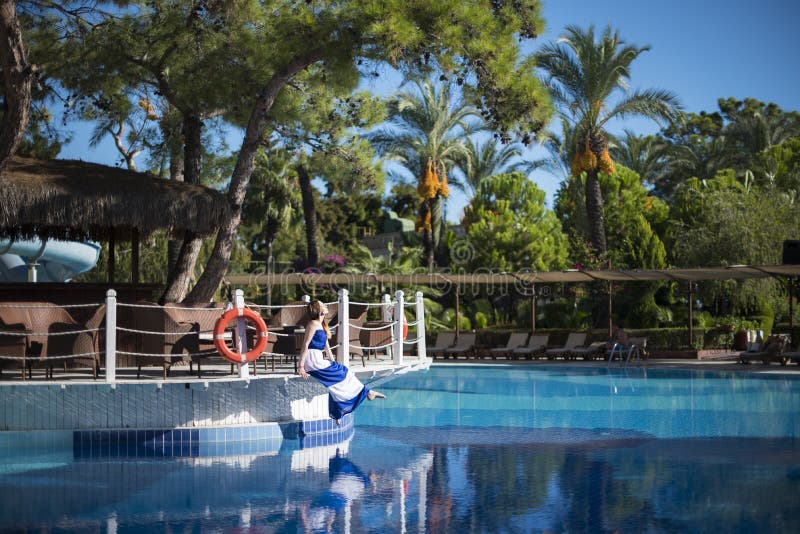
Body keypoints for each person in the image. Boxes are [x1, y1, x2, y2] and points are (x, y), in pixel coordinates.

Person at [298, 300, 385, 423]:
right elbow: (305, 345)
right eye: (323, 304)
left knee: (337, 382)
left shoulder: (321, 324)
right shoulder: (312, 324)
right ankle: (367, 393)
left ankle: (338, 412)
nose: (326, 305)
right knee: (342, 375)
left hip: (318, 359)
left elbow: (326, 346)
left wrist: (334, 362)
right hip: (312, 360)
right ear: (318, 310)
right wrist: (301, 366)